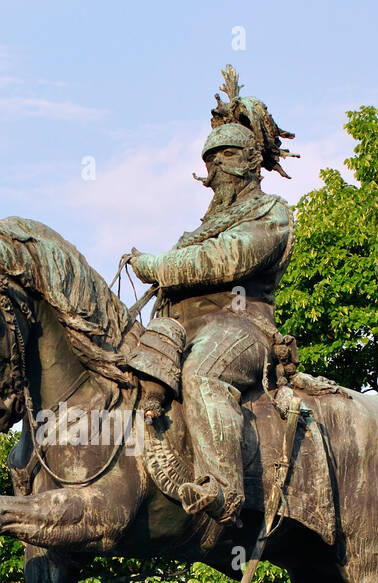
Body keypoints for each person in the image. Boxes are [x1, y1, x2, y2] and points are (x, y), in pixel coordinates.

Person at [123, 69, 297, 524]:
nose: (216, 166)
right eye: (210, 158)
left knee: (202, 373)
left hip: (241, 328)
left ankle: (223, 488)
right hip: (183, 329)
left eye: (227, 155)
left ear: (251, 161)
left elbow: (225, 260)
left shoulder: (272, 213)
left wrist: (154, 265)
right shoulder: (199, 229)